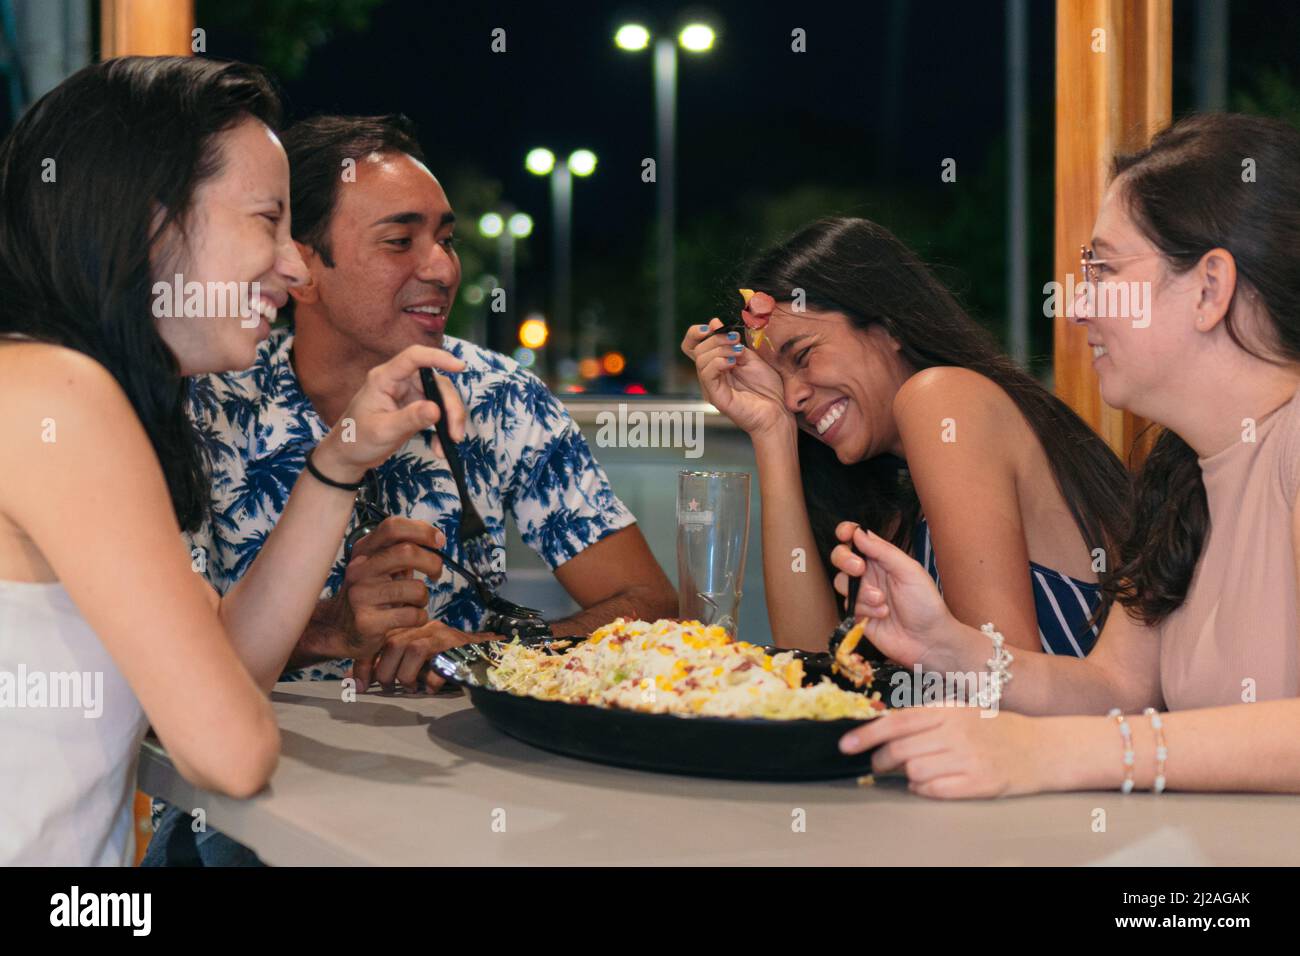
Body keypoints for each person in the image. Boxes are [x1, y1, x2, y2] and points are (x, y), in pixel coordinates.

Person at [142, 114, 676, 865]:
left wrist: (487, 652)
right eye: (400, 241)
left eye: (447, 238)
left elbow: (648, 609)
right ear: (304, 266)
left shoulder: (496, 398)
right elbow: (167, 680)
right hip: (244, 814)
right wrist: (326, 631)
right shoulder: (206, 404)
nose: (442, 268)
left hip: (460, 799)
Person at [0, 57, 465, 864]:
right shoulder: (56, 397)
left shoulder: (52, 384)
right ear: (153, 222)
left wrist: (339, 461)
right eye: (268, 220)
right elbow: (228, 750)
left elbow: (228, 667)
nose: (294, 264)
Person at [830, 113, 1300, 797]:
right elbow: (1115, 688)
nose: (1076, 306)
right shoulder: (1181, 476)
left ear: (1209, 288)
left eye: (1103, 269)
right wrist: (949, 649)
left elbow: (1101, 733)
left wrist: (1054, 754)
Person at [682, 218, 1129, 658]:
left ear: (889, 326)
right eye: (779, 381)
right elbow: (814, 673)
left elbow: (997, 690)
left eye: (803, 355)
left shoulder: (944, 400)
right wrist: (771, 431)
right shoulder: (899, 505)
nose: (793, 397)